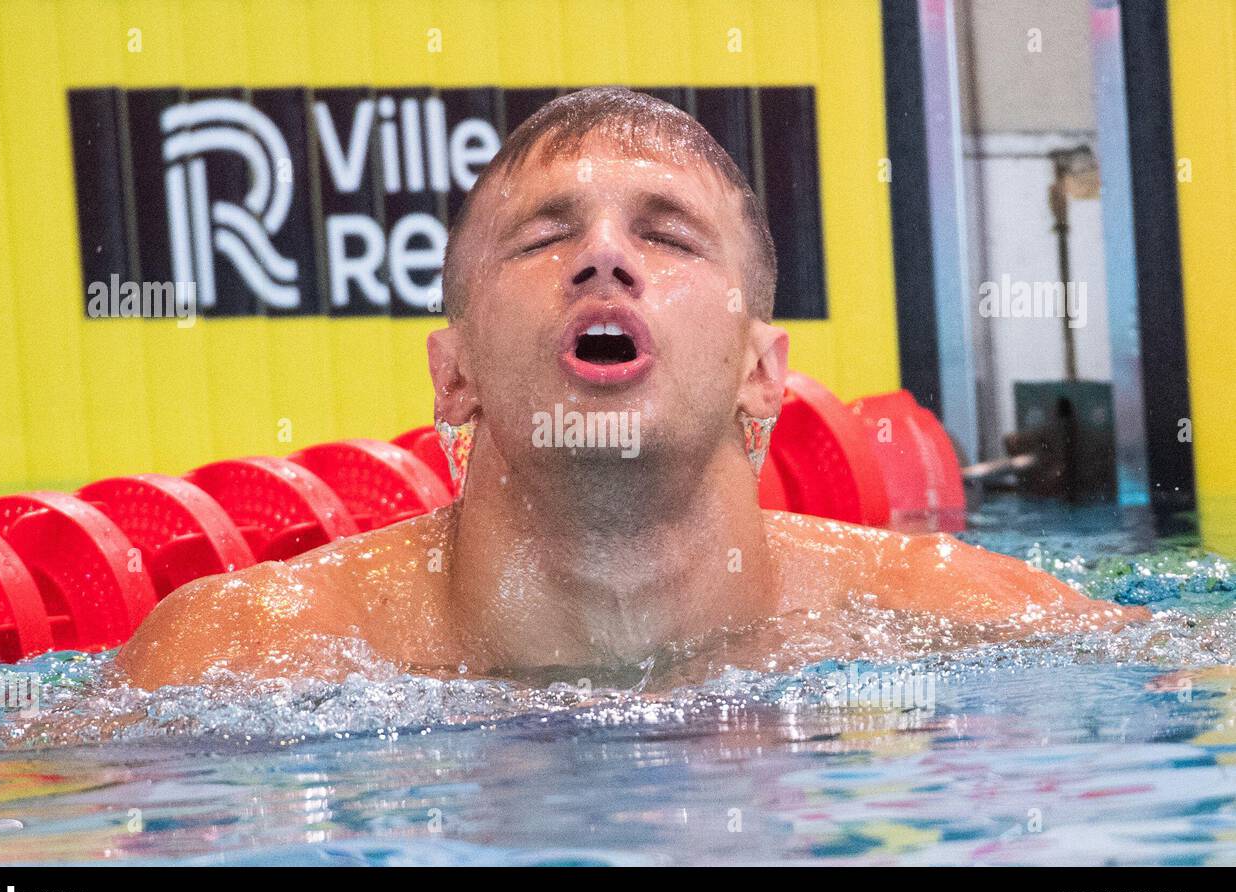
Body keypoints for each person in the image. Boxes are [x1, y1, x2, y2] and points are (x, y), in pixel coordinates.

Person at [117, 88, 1145, 691]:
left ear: (760, 373)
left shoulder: (963, 614)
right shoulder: (238, 650)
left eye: (664, 233)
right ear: (455, 371)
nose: (603, 257)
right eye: (545, 235)